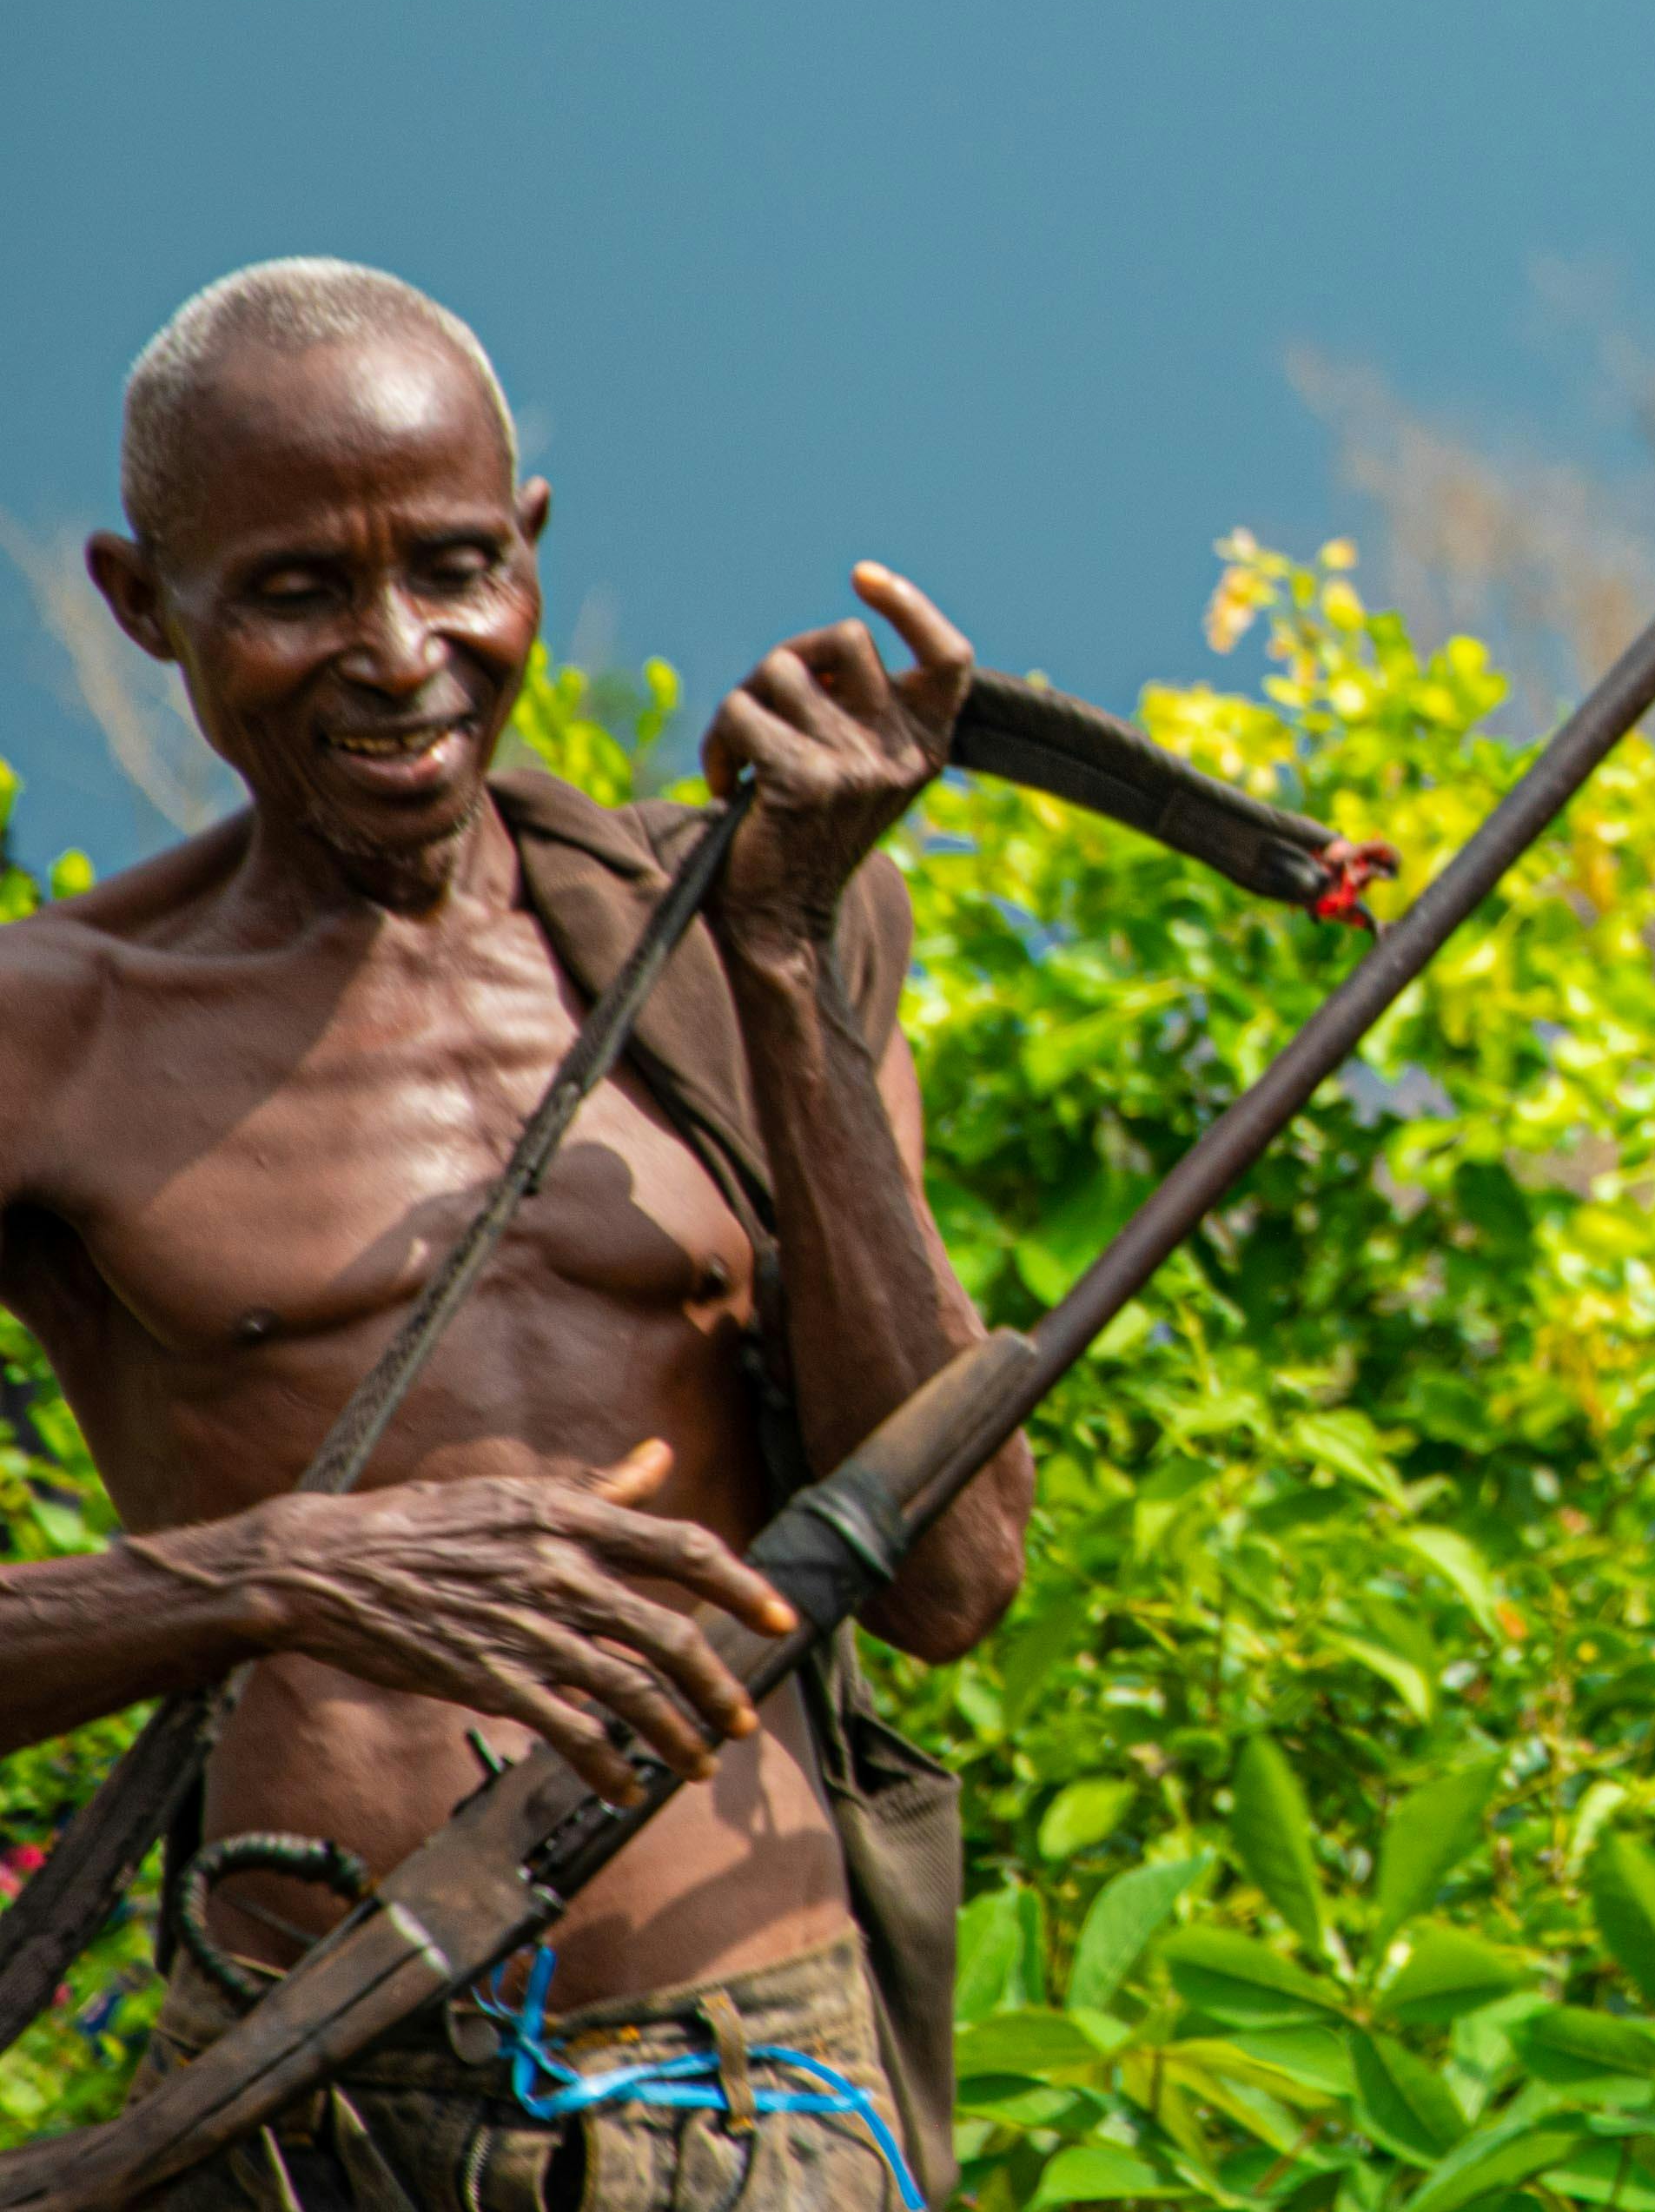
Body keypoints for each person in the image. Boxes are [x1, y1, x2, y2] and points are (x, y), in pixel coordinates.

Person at [0, 259, 1024, 2209]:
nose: (401, 654)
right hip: (318, 2115)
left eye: (458, 569)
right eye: (297, 591)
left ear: (529, 545)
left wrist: (790, 964)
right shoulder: (57, 1031)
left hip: (770, 2098)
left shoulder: (742, 927)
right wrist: (267, 1572)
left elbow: (956, 1570)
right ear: (144, 601)